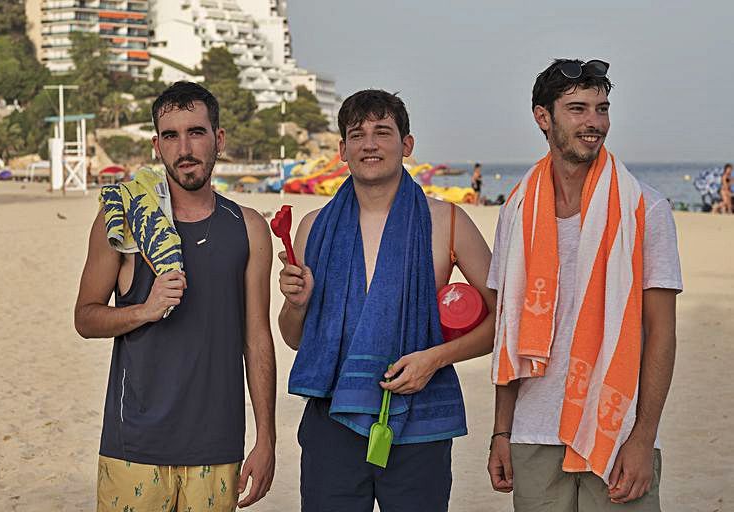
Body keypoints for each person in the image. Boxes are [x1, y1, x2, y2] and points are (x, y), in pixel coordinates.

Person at [277, 89, 496, 511]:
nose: (370, 144)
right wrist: (297, 304)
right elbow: (293, 338)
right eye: (357, 135)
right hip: (332, 415)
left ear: (406, 145)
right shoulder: (312, 227)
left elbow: (501, 319)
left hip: (420, 420)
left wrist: (434, 359)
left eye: (383, 131)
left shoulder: (447, 221)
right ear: (342, 149)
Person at [486, 59, 682, 511]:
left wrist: (643, 437)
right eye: (577, 108)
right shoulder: (516, 212)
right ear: (543, 117)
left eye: (602, 108)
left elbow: (661, 334)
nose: (594, 122)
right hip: (533, 433)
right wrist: (502, 431)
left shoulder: (644, 209)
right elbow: (508, 331)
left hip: (616, 433)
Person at [74, 81, 276, 512]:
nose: (184, 147)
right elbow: (86, 318)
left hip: (217, 447)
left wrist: (266, 438)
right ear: (157, 145)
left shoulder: (249, 228)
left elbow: (257, 339)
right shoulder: (123, 221)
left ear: (218, 139)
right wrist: (144, 311)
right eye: (171, 135)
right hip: (134, 445)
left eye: (196, 132)